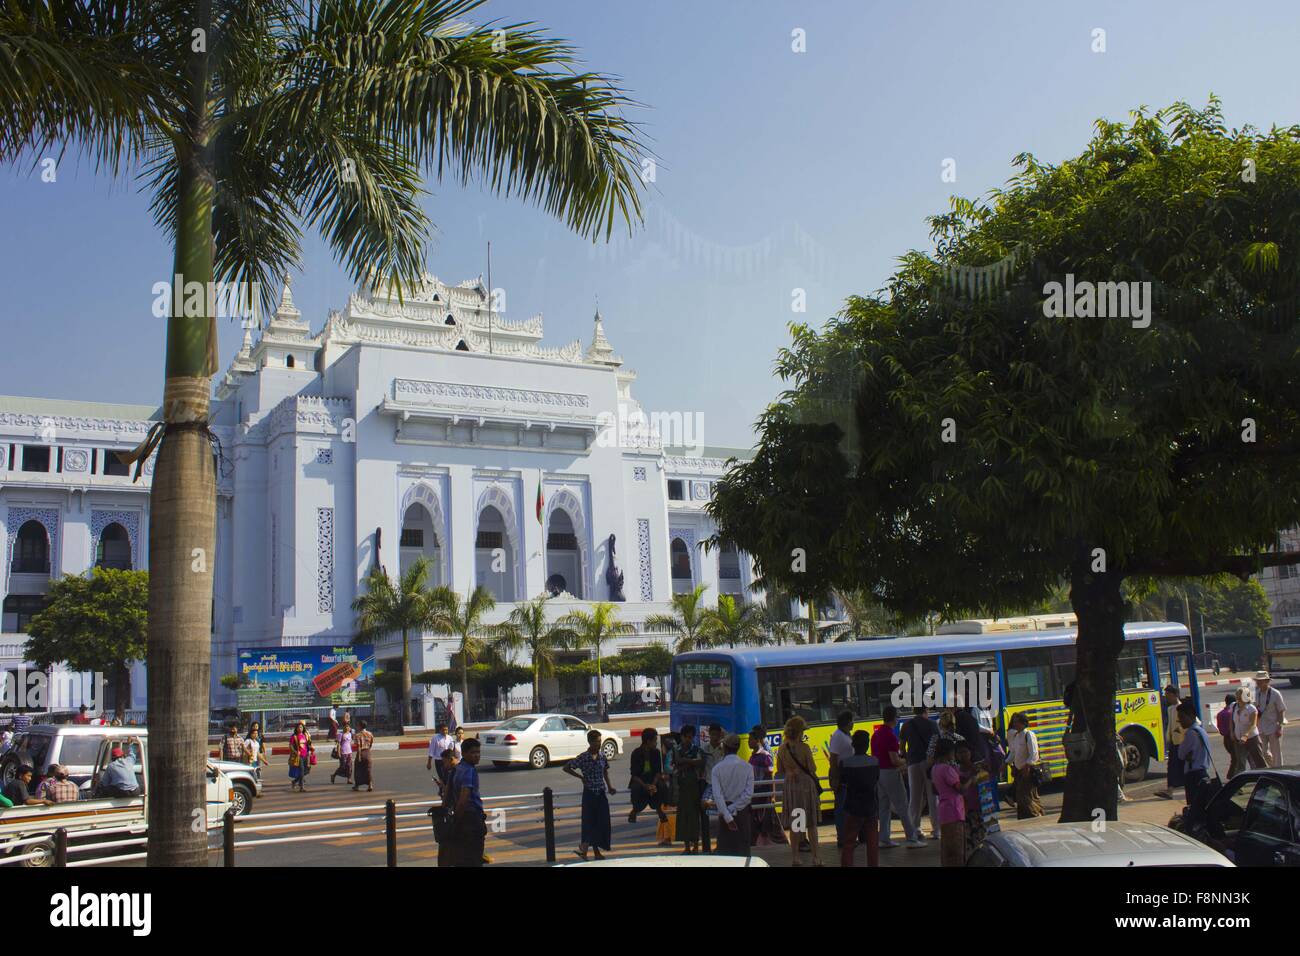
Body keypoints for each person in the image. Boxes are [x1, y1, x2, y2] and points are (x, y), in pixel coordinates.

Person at [873, 705, 925, 848]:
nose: (898, 720)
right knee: (902, 805)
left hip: (879, 773)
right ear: (893, 718)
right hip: (890, 773)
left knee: (883, 807)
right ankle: (912, 838)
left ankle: (884, 838)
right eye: (897, 717)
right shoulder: (890, 735)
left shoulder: (876, 734)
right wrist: (906, 760)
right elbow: (894, 760)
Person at [776, 715, 822, 866]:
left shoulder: (782, 748)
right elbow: (812, 768)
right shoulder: (805, 748)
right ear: (799, 732)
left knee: (796, 824)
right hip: (806, 787)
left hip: (791, 787)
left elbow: (780, 769)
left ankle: (795, 857)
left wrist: (791, 771)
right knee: (811, 824)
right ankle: (816, 858)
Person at [565, 729, 616, 861]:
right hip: (589, 793)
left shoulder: (602, 756)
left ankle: (585, 848)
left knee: (602, 823)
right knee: (589, 823)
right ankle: (593, 851)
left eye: (600, 741)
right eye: (597, 742)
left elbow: (605, 772)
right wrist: (580, 777)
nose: (599, 744)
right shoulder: (583, 757)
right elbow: (567, 767)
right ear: (590, 742)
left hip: (601, 793)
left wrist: (609, 786)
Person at [837, 730, 880, 867]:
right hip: (871, 807)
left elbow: (843, 782)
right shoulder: (874, 762)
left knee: (849, 843)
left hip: (852, 807)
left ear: (853, 745)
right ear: (867, 745)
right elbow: (876, 780)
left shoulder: (845, 763)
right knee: (872, 843)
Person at [710, 734, 754, 857]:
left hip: (724, 814)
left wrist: (728, 815)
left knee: (726, 853)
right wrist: (732, 809)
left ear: (724, 747)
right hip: (742, 813)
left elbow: (717, 797)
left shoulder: (717, 769)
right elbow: (748, 795)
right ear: (738, 747)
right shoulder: (748, 767)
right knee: (743, 851)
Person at [900, 703, 938, 839]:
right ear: (926, 711)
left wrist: (906, 758)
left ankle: (915, 829)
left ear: (914, 710)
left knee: (915, 798)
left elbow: (902, 747)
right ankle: (937, 830)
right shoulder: (933, 725)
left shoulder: (906, 725)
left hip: (913, 764)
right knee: (933, 796)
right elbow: (936, 744)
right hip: (929, 764)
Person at [448, 738, 487, 866]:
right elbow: (463, 800)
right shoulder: (469, 771)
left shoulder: (458, 768)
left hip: (463, 818)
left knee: (463, 857)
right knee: (474, 858)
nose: (477, 755)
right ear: (464, 753)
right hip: (471, 819)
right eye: (473, 752)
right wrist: (457, 819)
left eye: (478, 752)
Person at [931, 738, 967, 866]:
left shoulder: (935, 768)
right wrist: (973, 780)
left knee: (947, 848)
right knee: (956, 849)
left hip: (944, 810)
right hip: (954, 811)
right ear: (948, 752)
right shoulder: (947, 769)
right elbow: (960, 789)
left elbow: (935, 788)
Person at [747, 726, 785, 846]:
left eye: (751, 739)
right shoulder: (753, 756)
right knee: (759, 818)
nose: (748, 741)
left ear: (758, 739)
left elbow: (770, 775)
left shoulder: (765, 755)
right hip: (755, 792)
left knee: (768, 819)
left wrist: (771, 794)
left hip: (763, 791)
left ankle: (778, 841)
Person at [670, 724, 704, 853]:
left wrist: (685, 761)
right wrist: (691, 761)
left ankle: (695, 845)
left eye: (691, 737)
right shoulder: (676, 749)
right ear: (682, 737)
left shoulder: (696, 748)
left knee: (694, 816)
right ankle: (687, 846)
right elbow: (677, 762)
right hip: (681, 787)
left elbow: (700, 763)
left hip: (694, 786)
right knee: (683, 816)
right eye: (687, 737)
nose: (689, 739)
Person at [1176, 701, 1214, 814]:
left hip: (1194, 775)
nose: (1180, 721)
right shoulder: (1201, 731)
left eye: (1182, 717)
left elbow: (1181, 754)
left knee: (1194, 808)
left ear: (1191, 716)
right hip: (1203, 773)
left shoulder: (1191, 733)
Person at [627, 728, 668, 825]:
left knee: (661, 786)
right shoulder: (636, 753)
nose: (656, 743)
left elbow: (658, 771)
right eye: (654, 741)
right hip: (640, 780)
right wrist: (645, 786)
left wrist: (653, 785)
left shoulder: (656, 752)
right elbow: (634, 775)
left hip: (653, 779)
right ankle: (635, 810)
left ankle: (659, 809)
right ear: (648, 741)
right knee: (636, 789)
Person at [955, 741, 989, 860]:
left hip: (980, 810)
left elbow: (987, 788)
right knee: (968, 843)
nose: (963, 755)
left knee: (982, 841)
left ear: (970, 753)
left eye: (965, 751)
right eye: (959, 752)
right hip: (964, 812)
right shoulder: (955, 771)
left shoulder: (979, 769)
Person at [827, 710, 855, 844]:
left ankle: (848, 836)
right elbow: (833, 759)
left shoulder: (845, 734)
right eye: (852, 721)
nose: (853, 723)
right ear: (848, 722)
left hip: (848, 776)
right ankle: (842, 838)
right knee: (841, 808)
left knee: (848, 808)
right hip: (842, 777)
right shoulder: (838, 736)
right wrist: (835, 778)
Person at [1007, 712, 1042, 818]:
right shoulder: (1016, 736)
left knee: (1026, 796)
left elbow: (1034, 754)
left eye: (1017, 722)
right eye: (1014, 722)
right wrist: (1006, 763)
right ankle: (1026, 817)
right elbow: (1013, 752)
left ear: (1023, 723)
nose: (1015, 724)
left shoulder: (1029, 735)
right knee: (1021, 796)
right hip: (1019, 771)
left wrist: (1027, 766)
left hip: (1027, 771)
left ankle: (1036, 815)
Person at [1155, 686, 1184, 799]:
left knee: (1183, 767)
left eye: (1168, 695)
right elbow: (1170, 725)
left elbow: (1193, 723)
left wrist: (1179, 731)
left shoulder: (1181, 708)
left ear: (1174, 695)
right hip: (1173, 742)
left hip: (1182, 742)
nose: (1166, 697)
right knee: (1171, 767)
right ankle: (1169, 790)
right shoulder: (1170, 709)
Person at [1254, 671, 1286, 768]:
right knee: (1264, 752)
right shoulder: (1257, 693)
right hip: (1261, 727)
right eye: (1257, 681)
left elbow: (1281, 710)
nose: (1258, 683)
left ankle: (1280, 772)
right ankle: (1274, 769)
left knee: (1276, 753)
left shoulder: (1275, 694)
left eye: (1261, 681)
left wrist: (1279, 727)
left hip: (1274, 726)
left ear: (1267, 681)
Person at [1232, 687, 1267, 771]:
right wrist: (1232, 732)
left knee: (1259, 761)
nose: (1238, 697)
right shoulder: (1234, 706)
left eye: (1240, 695)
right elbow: (1232, 721)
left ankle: (1265, 776)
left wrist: (1245, 735)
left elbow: (1253, 724)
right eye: (1237, 695)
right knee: (1240, 761)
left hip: (1251, 738)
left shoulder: (1251, 708)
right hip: (1239, 739)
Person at [426, 721, 459, 785]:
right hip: (439, 761)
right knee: (441, 776)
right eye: (443, 730)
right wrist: (429, 762)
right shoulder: (435, 738)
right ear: (440, 730)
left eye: (446, 730)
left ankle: (447, 787)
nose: (445, 731)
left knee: (448, 776)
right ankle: (443, 788)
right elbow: (431, 751)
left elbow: (452, 749)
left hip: (448, 761)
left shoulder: (450, 738)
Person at [1216, 692, 1239, 777]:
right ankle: (1231, 775)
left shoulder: (1220, 714)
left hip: (1226, 739)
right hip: (1233, 738)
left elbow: (1220, 729)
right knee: (1236, 759)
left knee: (1234, 758)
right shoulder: (1232, 713)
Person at [288, 721, 313, 792]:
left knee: (307, 770)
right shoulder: (294, 736)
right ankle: (302, 787)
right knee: (301, 770)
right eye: (298, 727)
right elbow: (290, 746)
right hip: (299, 756)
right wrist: (295, 752)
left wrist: (310, 749)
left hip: (306, 755)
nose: (300, 728)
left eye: (301, 727)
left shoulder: (305, 735)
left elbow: (307, 744)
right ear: (296, 728)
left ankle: (294, 781)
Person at [352, 719, 375, 791]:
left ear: (360, 726)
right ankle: (370, 785)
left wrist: (359, 756)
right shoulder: (370, 734)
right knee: (368, 769)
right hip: (367, 752)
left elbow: (358, 746)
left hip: (361, 752)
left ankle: (357, 786)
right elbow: (371, 744)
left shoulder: (358, 735)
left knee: (358, 770)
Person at [331, 719, 354, 785]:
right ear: (344, 727)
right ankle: (334, 775)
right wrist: (338, 752)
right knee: (342, 766)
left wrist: (351, 751)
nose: (347, 728)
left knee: (349, 766)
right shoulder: (340, 734)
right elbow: (338, 744)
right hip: (342, 752)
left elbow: (349, 743)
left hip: (349, 752)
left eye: (348, 727)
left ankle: (349, 779)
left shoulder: (350, 734)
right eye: (346, 727)